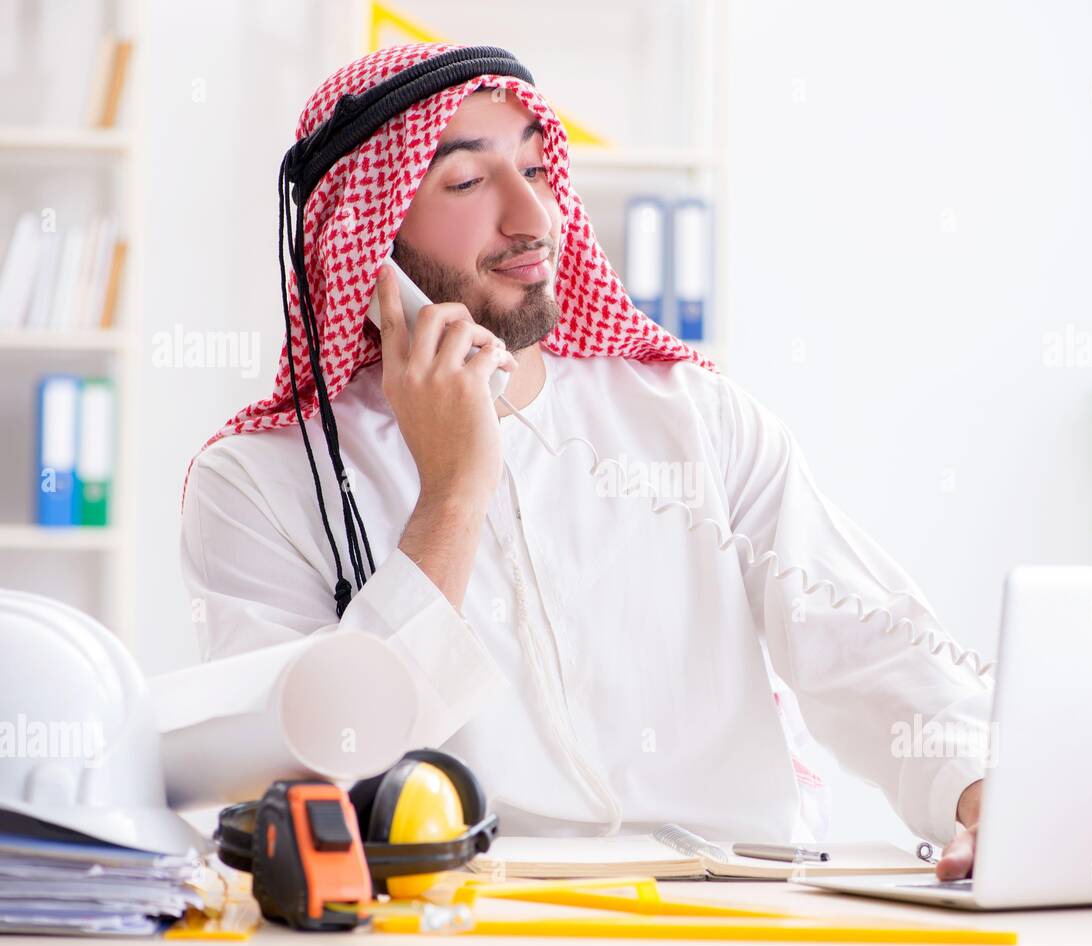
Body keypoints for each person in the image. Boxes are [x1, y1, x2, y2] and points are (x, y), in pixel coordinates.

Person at [181, 43, 989, 879]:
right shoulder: (259, 483)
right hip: (466, 927)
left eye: (535, 167)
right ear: (364, 238)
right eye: (465, 182)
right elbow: (300, 791)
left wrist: (980, 788)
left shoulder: (692, 417)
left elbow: (867, 643)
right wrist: (452, 496)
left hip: (741, 918)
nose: (534, 218)